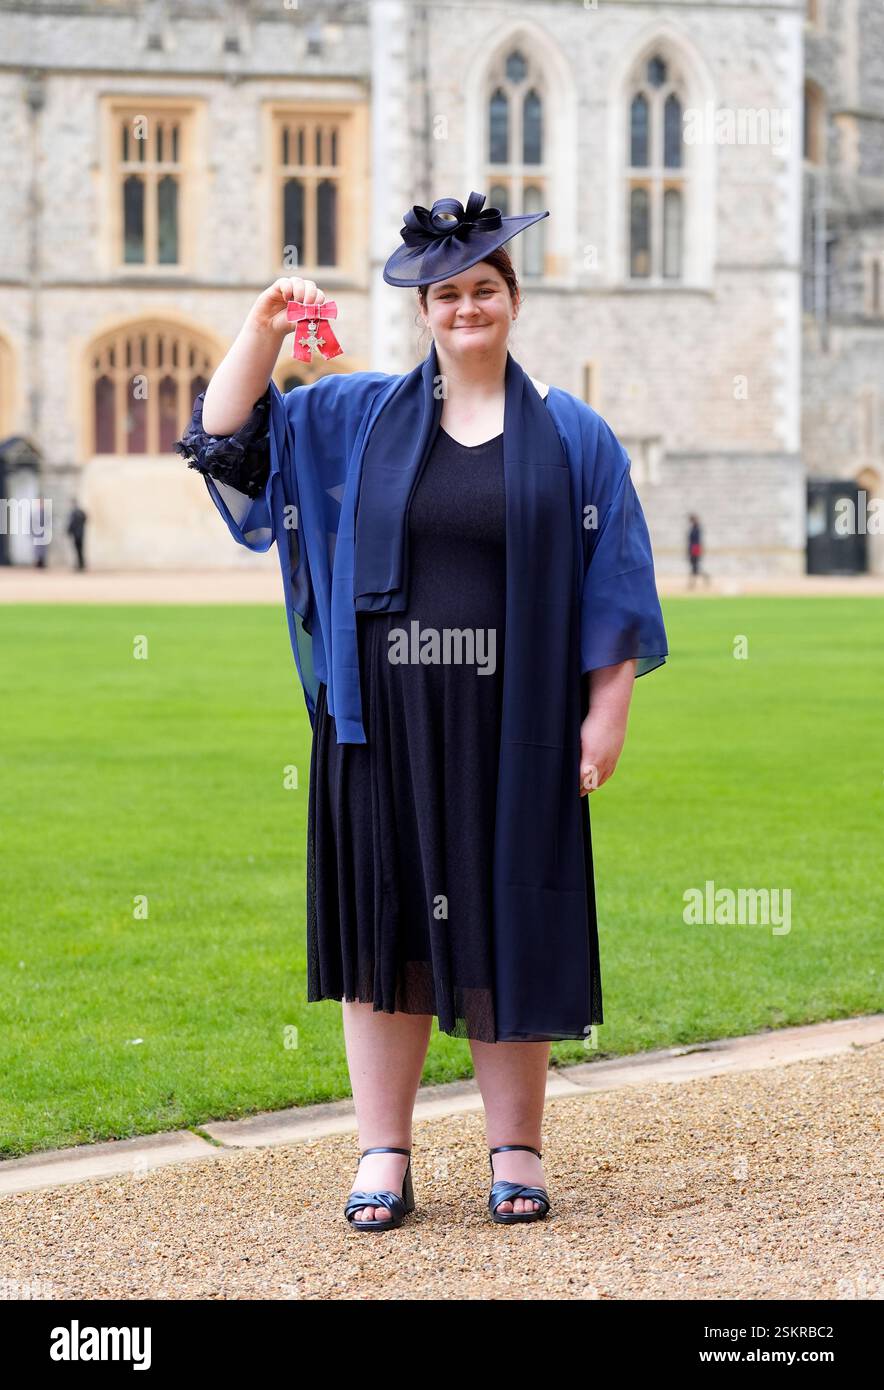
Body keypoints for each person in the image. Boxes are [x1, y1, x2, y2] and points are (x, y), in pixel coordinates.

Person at [175, 192, 668, 1232]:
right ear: (424, 311)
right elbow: (225, 438)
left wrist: (606, 713)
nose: (466, 307)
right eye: (447, 294)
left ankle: (515, 1149)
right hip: (378, 724)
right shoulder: (352, 417)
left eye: (483, 288)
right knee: (381, 932)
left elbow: (616, 579)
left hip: (514, 727)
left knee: (509, 923)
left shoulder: (572, 433)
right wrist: (264, 328)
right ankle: (382, 1154)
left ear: (512, 300)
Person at [687, 512, 710, 588]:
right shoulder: (694, 528)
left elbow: (696, 541)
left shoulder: (696, 529)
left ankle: (693, 582)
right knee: (695, 567)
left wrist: (694, 551)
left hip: (695, 549)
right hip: (694, 549)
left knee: (695, 567)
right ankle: (694, 582)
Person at [66, 501, 87, 570]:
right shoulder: (81, 512)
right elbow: (85, 519)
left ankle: (79, 564)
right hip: (81, 533)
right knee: (80, 549)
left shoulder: (73, 513)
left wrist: (68, 531)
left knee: (77, 550)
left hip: (76, 534)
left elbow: (71, 523)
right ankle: (81, 563)